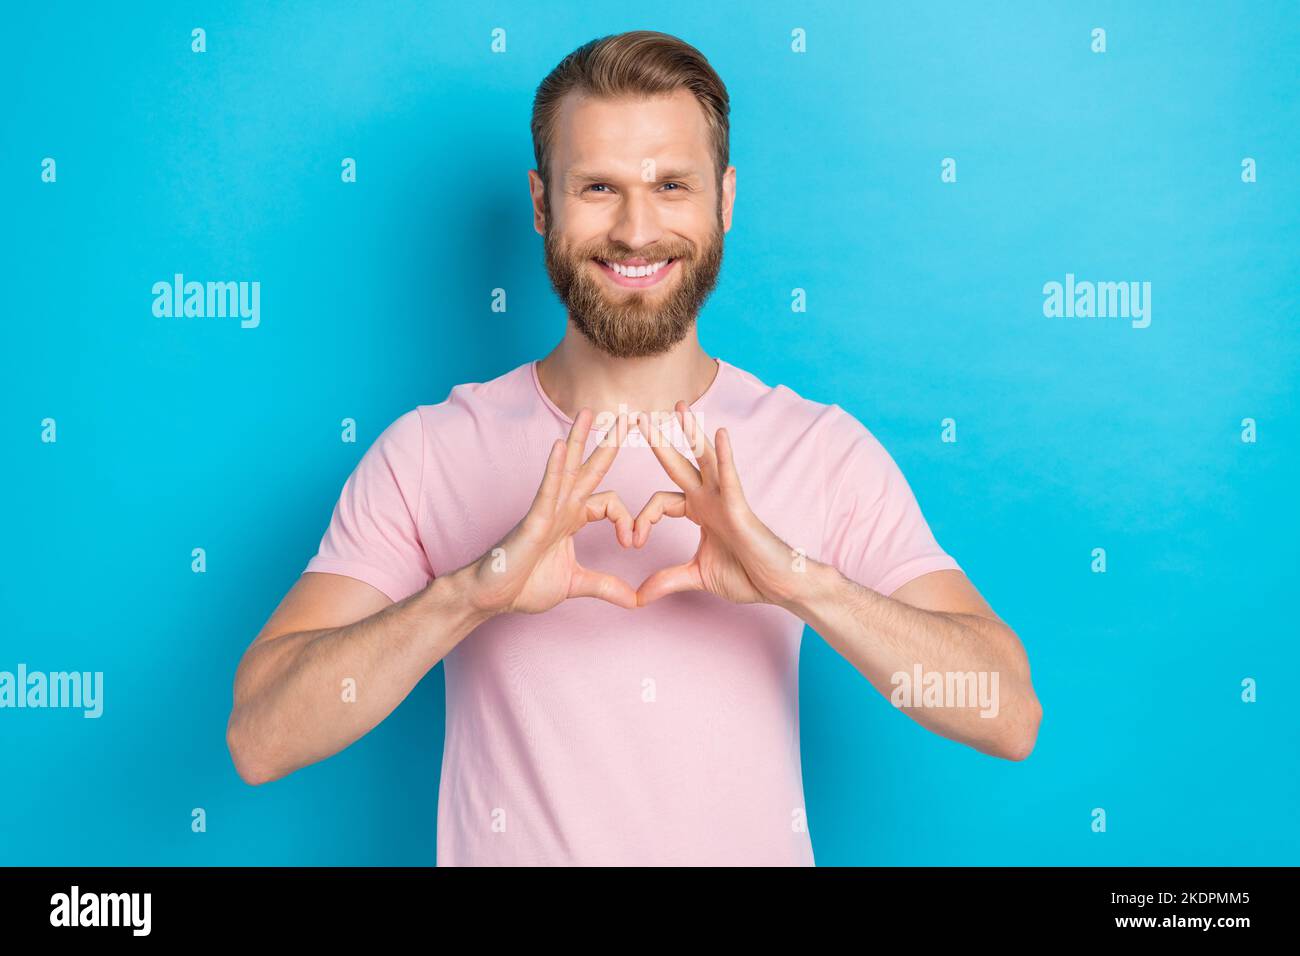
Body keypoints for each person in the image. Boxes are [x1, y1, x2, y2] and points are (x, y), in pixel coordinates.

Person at [226, 30, 1041, 866]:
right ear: (543, 205)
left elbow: (1008, 714)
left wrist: (800, 583)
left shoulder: (819, 450)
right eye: (599, 188)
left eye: (671, 185)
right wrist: (471, 593)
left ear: (724, 200)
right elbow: (259, 737)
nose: (637, 229)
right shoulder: (429, 452)